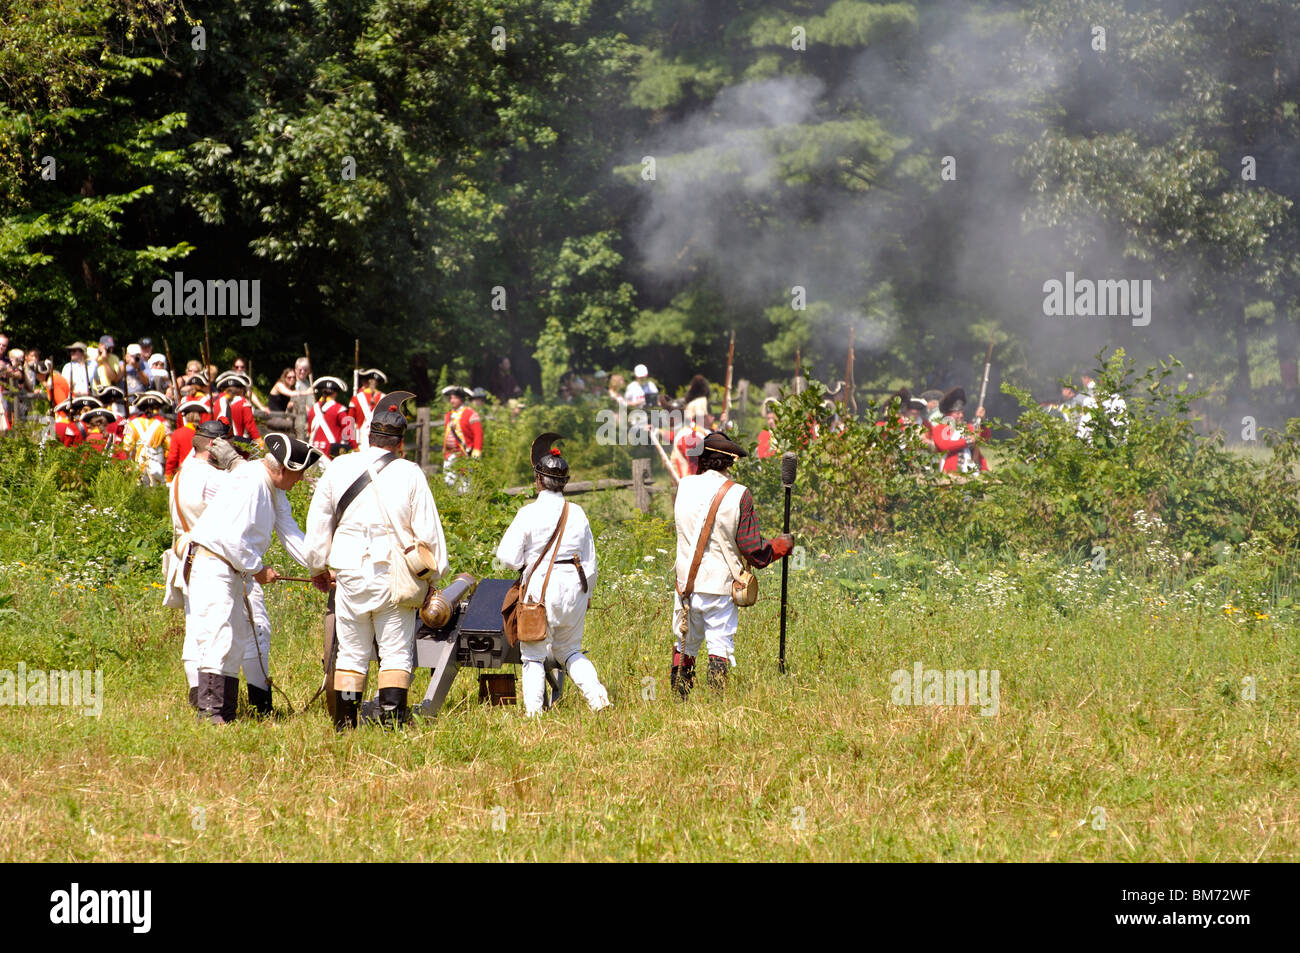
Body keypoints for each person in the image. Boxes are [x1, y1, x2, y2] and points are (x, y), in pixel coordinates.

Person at [304, 391, 449, 730]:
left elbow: (318, 526)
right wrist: (433, 578)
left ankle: (345, 725)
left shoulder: (339, 467)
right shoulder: (411, 473)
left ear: (368, 436)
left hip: (349, 573)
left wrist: (317, 567)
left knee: (352, 654)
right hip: (394, 574)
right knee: (396, 652)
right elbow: (428, 534)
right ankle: (392, 723)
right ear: (400, 443)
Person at [184, 433, 323, 723]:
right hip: (214, 565)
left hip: (230, 568)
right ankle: (211, 716)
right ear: (283, 468)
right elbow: (231, 539)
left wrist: (320, 568)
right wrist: (258, 569)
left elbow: (292, 535)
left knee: (234, 642)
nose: (300, 481)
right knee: (218, 639)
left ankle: (225, 714)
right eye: (298, 474)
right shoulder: (250, 482)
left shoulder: (273, 488)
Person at [670, 431, 795, 696]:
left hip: (686, 585)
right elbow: (753, 550)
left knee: (685, 645)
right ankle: (717, 703)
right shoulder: (739, 494)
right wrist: (779, 547)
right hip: (720, 586)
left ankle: (679, 701)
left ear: (702, 459)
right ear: (731, 462)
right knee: (719, 646)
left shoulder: (683, 486)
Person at [496, 433, 609, 716]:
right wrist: (587, 595)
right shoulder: (579, 513)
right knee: (571, 651)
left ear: (538, 480)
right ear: (565, 483)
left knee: (532, 657)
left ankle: (535, 715)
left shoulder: (527, 513)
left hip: (539, 591)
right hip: (574, 589)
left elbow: (508, 558)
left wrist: (527, 564)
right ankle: (598, 700)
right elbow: (591, 563)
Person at [169, 419, 253, 708]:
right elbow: (244, 496)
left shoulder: (181, 475)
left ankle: (198, 697)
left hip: (186, 557)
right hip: (211, 558)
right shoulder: (214, 478)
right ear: (215, 446)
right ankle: (211, 705)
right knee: (219, 633)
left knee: (196, 632)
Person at [930, 387, 988, 474]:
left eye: (961, 412)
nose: (961, 415)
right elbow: (944, 446)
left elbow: (984, 438)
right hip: (950, 474)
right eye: (957, 413)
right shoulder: (939, 428)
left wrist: (982, 421)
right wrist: (967, 441)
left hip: (972, 473)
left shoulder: (969, 426)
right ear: (947, 414)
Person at [120, 391, 170, 485]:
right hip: (157, 464)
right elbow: (168, 448)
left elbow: (126, 448)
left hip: (137, 466)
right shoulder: (162, 425)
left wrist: (127, 467)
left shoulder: (133, 424)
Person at [441, 385, 482, 487]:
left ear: (462, 399)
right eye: (451, 398)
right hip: (449, 454)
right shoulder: (448, 415)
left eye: (455, 398)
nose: (452, 400)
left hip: (464, 453)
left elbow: (478, 434)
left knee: (465, 484)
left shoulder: (471, 413)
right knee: (448, 482)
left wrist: (476, 451)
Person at [308, 376, 356, 460]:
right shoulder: (340, 409)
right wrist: (355, 448)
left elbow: (309, 431)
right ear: (335, 393)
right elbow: (349, 433)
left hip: (313, 450)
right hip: (331, 452)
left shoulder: (312, 409)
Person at [167, 398, 210, 480]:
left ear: (186, 416)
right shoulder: (206, 434)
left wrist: (169, 477)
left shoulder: (178, 433)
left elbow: (172, 458)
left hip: (184, 473)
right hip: (202, 474)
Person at [214, 371, 262, 443]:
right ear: (241, 390)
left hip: (217, 441)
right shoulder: (243, 403)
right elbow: (250, 426)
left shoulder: (217, 401)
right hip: (237, 443)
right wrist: (259, 441)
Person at [349, 368, 387, 447]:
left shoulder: (356, 398)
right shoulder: (385, 399)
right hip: (380, 444)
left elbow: (349, 423)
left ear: (365, 381)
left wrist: (353, 445)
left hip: (359, 443)